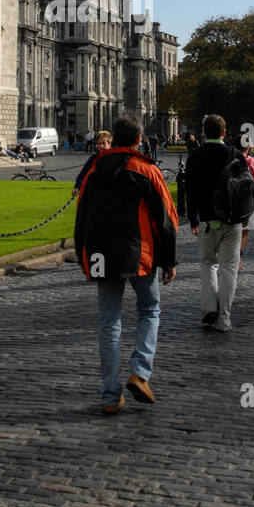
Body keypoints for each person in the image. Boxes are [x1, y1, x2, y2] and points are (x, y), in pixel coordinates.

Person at [75, 116, 177, 413]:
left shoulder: (94, 170)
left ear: (114, 140)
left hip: (100, 253)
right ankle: (140, 373)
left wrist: (84, 256)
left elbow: (81, 216)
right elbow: (166, 219)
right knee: (149, 310)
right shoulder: (147, 169)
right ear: (139, 140)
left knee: (109, 322)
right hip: (138, 252)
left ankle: (109, 395)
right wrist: (169, 260)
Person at [186, 115, 254, 332]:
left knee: (208, 264)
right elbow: (247, 189)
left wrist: (192, 219)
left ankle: (209, 307)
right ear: (224, 132)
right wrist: (246, 215)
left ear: (204, 132)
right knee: (229, 267)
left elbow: (189, 192)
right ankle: (224, 318)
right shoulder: (235, 155)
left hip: (207, 219)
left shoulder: (195, 156)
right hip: (233, 219)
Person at [73, 129, 112, 194]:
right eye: (99, 144)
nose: (101, 146)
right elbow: (83, 174)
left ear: (109, 144)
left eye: (103, 143)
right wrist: (77, 187)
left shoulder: (115, 158)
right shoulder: (93, 158)